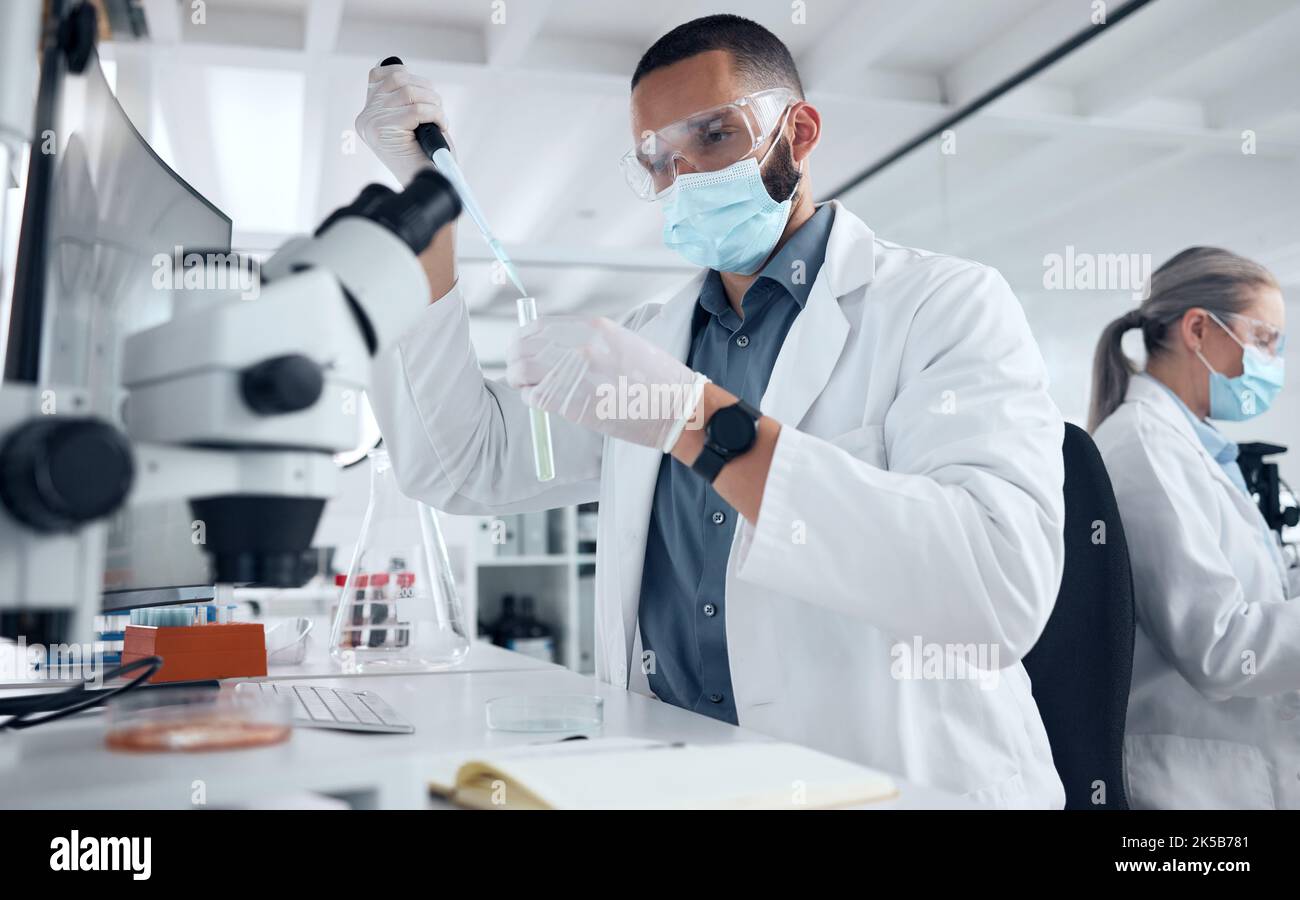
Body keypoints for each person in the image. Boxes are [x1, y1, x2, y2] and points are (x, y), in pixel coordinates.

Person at [358, 14, 1066, 807]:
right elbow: (463, 465)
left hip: (901, 785)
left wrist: (694, 418)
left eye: (716, 136)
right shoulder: (654, 339)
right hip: (682, 780)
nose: (685, 175)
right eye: (658, 159)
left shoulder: (943, 304)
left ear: (798, 131)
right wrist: (425, 208)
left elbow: (999, 590)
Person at [1089, 247, 1296, 809]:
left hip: (1237, 773)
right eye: (1265, 339)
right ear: (1199, 329)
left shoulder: (1194, 448)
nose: (1275, 359)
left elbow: (1259, 595)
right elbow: (1220, 647)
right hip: (1194, 791)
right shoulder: (1143, 450)